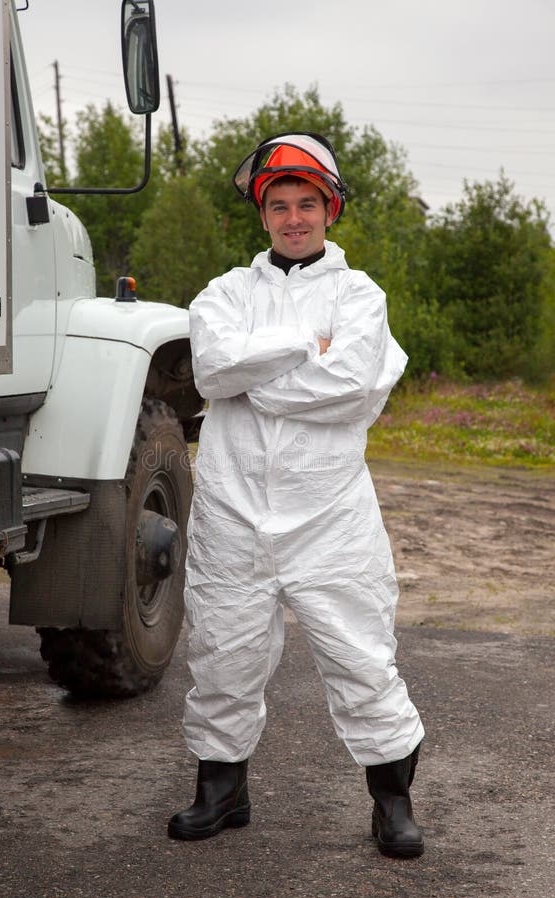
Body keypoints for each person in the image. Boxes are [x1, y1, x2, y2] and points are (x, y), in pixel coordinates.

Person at [168, 133, 425, 858]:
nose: (292, 218)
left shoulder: (359, 296)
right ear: (263, 216)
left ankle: (393, 803)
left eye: (306, 204)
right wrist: (301, 350)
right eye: (278, 205)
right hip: (233, 511)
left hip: (329, 516)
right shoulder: (225, 294)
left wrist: (258, 374)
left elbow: (349, 388)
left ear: (330, 210)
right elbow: (213, 374)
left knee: (361, 655)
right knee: (222, 651)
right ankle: (221, 791)